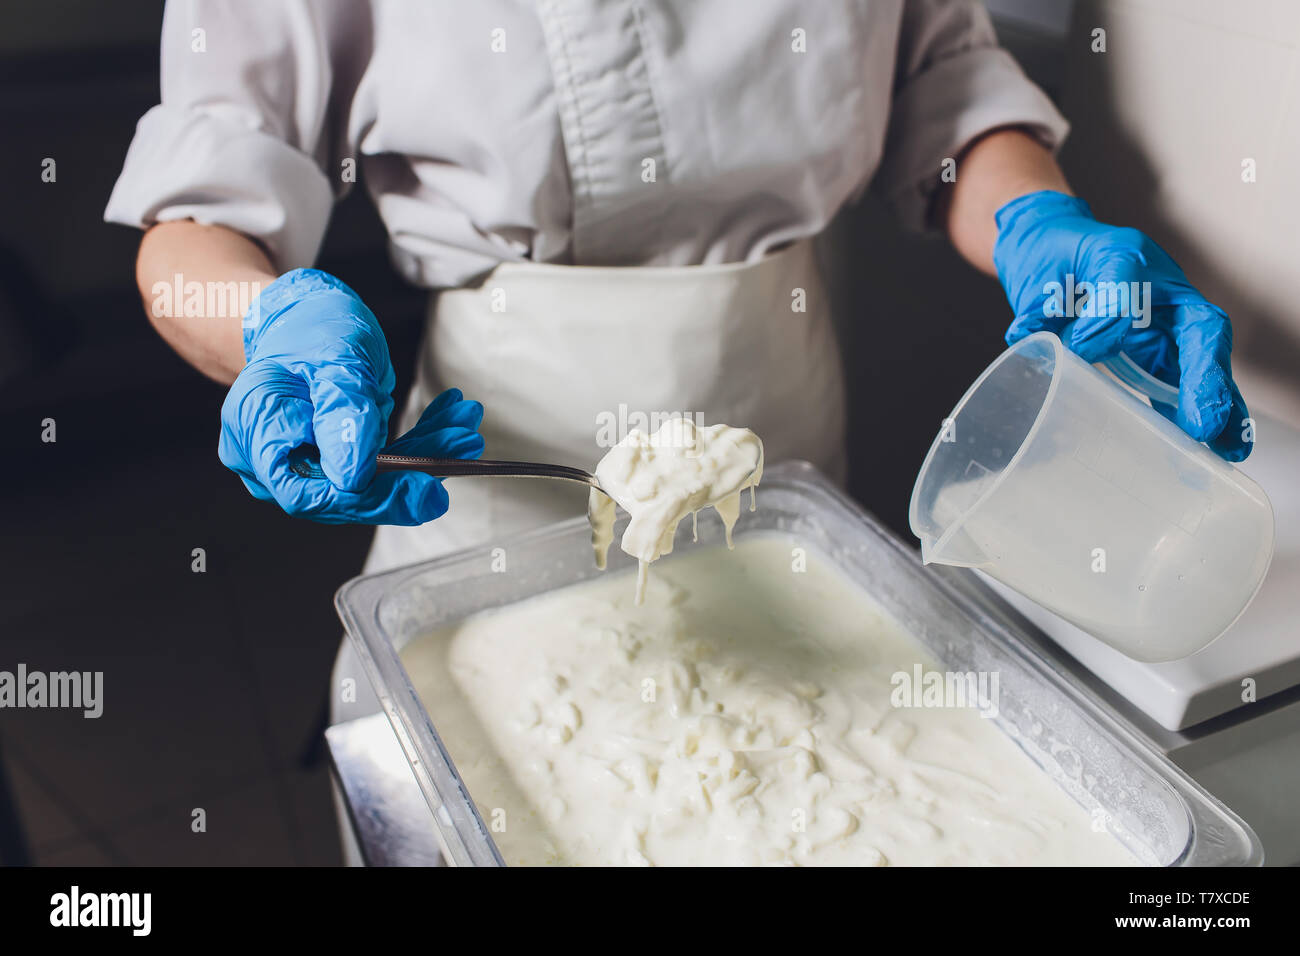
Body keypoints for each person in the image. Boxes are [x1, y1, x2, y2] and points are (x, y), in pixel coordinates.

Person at [106, 0, 1251, 862]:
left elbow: (940, 93)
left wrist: (1034, 222)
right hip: (489, 487)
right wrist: (267, 323)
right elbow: (194, 217)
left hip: (794, 489)